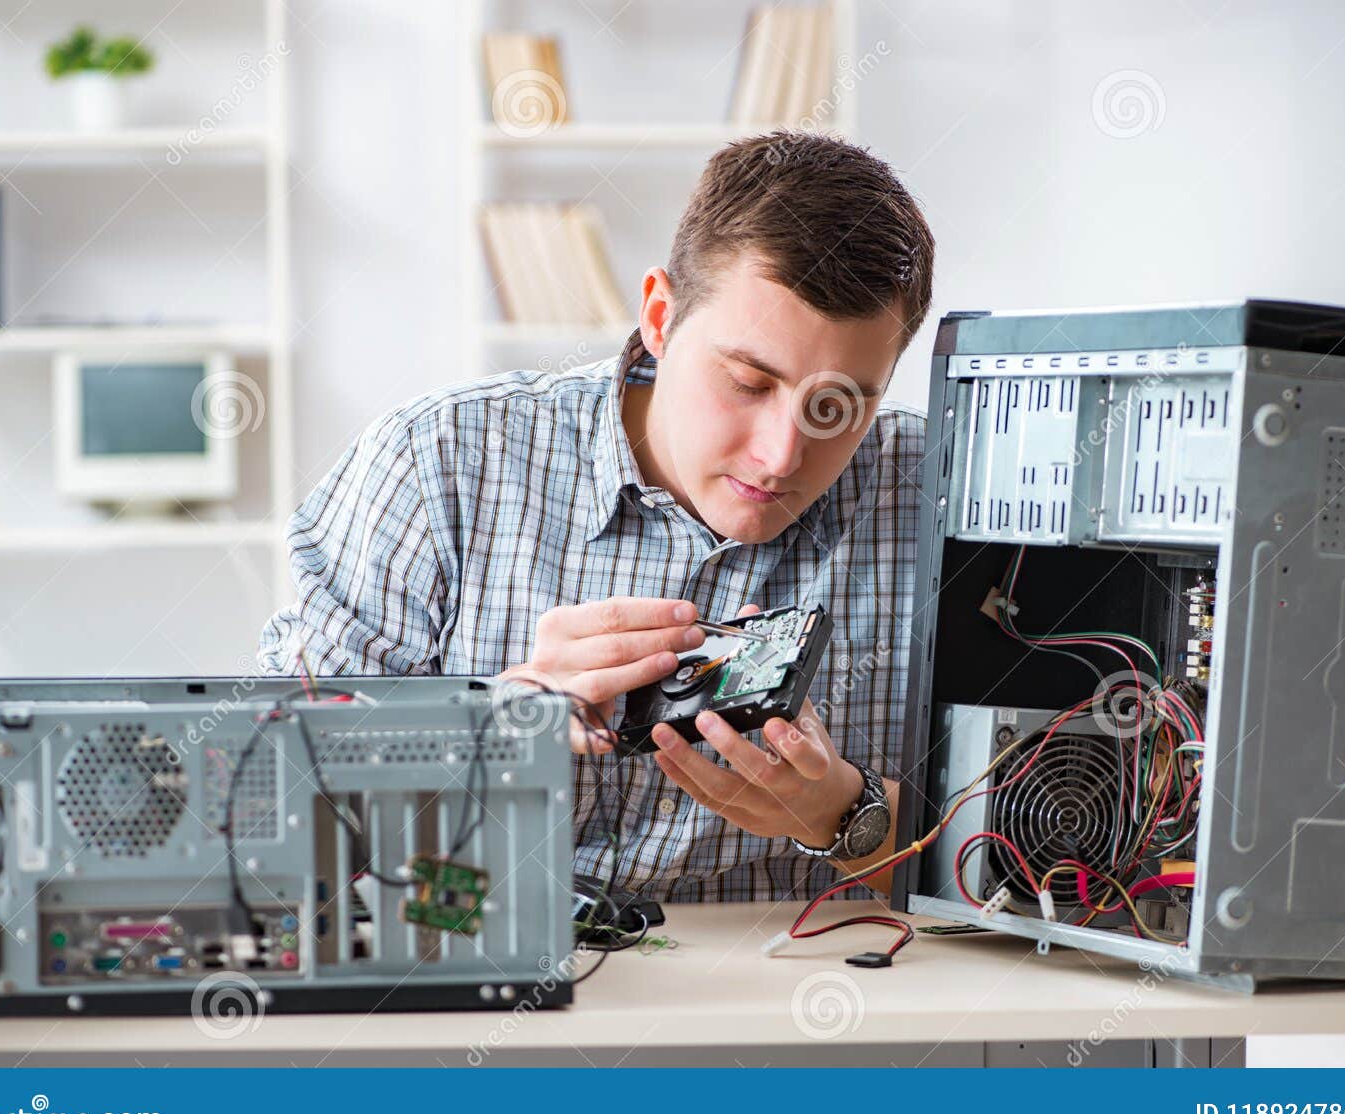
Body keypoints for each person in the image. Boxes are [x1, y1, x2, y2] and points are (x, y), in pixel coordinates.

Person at [257, 130, 936, 902]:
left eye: (839, 405)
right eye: (749, 382)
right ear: (659, 315)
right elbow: (272, 800)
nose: (782, 455)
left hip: (807, 1004)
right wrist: (487, 728)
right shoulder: (436, 460)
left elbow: (1057, 849)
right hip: (491, 989)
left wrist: (847, 814)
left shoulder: (931, 493)